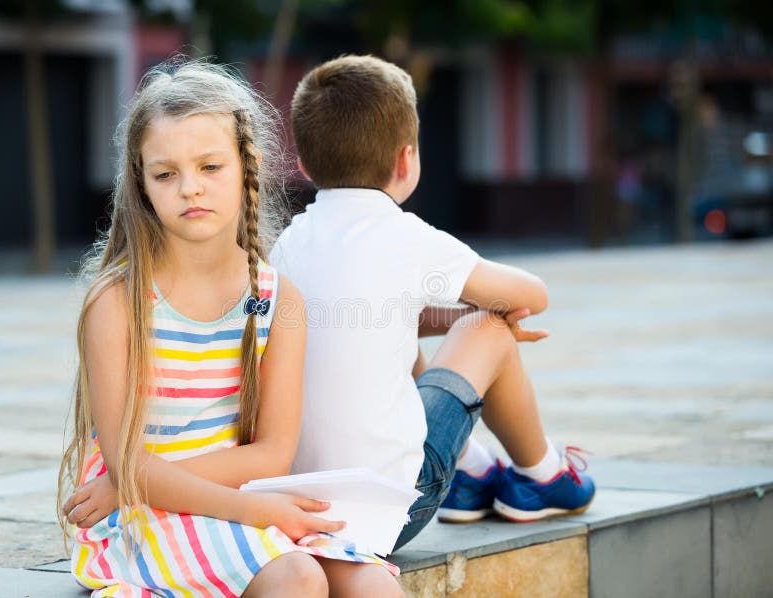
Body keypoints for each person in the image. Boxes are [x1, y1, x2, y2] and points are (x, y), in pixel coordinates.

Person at [57, 60, 403, 598]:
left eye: (211, 167)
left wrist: (143, 480)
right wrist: (243, 506)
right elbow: (128, 464)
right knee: (298, 576)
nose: (189, 188)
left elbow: (272, 454)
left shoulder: (277, 300)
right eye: (165, 174)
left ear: (248, 166)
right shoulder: (117, 301)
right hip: (138, 515)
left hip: (224, 496)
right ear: (142, 185)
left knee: (373, 586)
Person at [269, 55, 596, 550]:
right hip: (394, 509)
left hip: (300, 508)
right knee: (488, 329)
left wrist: (454, 314)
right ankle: (543, 476)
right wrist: (491, 314)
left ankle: (473, 473)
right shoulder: (403, 235)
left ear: (305, 166)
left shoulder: (289, 242)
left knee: (399, 338)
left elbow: (370, 318)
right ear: (406, 159)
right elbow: (534, 294)